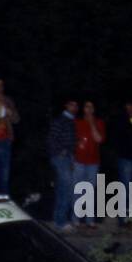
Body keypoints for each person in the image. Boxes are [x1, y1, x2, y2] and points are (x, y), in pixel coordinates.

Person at [47, 99, 78, 230]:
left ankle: (57, 219)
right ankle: (61, 222)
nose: (74, 107)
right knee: (67, 188)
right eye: (72, 104)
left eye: (76, 105)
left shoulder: (71, 121)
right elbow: (51, 139)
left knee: (61, 189)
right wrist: (61, 152)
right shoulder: (60, 120)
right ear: (66, 105)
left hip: (68, 158)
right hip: (60, 158)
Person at [73, 100, 105, 226]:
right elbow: (71, 139)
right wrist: (76, 144)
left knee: (90, 191)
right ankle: (75, 219)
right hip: (78, 161)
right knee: (78, 191)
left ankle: (90, 220)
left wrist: (92, 124)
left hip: (93, 162)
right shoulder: (77, 122)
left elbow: (99, 139)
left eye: (91, 106)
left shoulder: (99, 122)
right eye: (87, 106)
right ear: (83, 109)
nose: (89, 109)